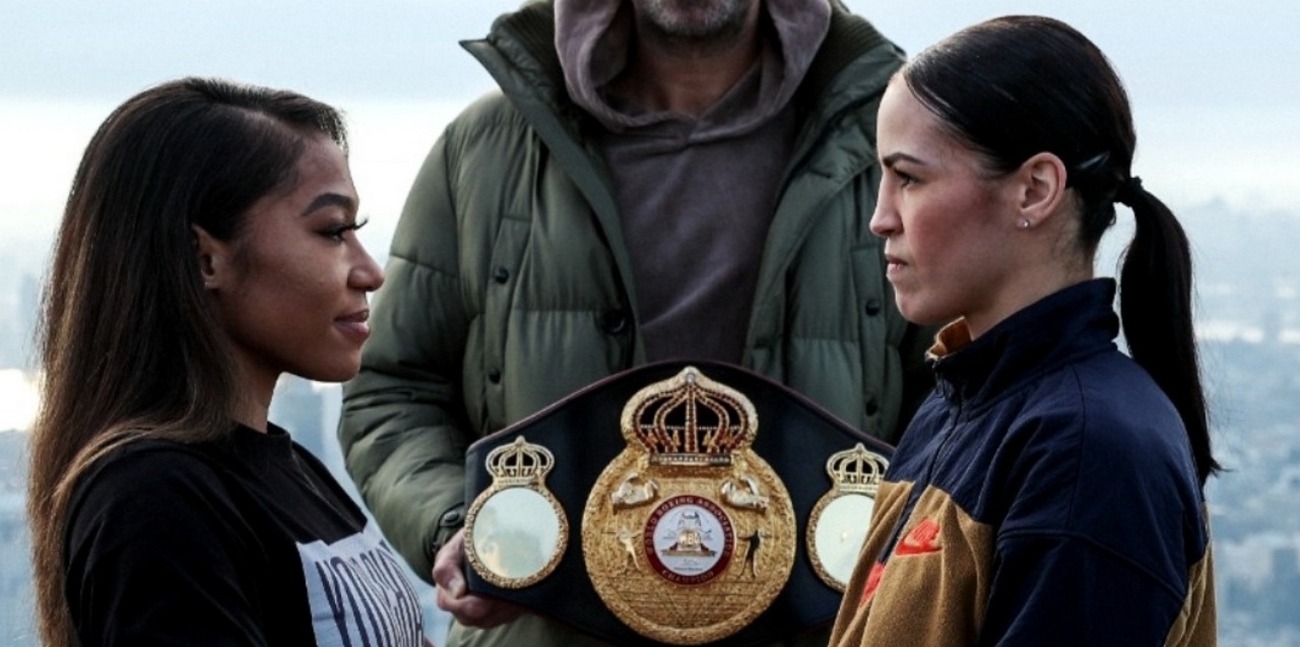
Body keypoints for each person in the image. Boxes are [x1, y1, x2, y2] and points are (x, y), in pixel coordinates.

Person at [339, 0, 935, 645]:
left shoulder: (891, 147)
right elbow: (393, 389)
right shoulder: (485, 148)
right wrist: (461, 525)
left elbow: (968, 397)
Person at [828, 15, 1218, 646]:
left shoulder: (1087, 454)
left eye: (910, 178)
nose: (880, 218)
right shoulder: (961, 404)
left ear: (1034, 190)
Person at [27, 77, 434, 647]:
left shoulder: (295, 472)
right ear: (204, 260)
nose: (370, 272)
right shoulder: (152, 500)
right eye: (332, 231)